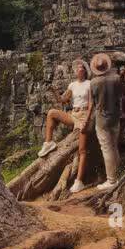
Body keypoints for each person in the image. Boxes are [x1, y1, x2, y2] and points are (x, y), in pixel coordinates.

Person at [38, 59, 91, 194]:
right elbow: (63, 100)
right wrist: (54, 91)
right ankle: (49, 142)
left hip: (84, 115)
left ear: (85, 71)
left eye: (81, 68)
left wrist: (87, 120)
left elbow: (92, 104)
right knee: (51, 113)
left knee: (82, 149)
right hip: (73, 114)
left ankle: (79, 181)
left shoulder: (89, 84)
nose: (79, 70)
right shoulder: (72, 85)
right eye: (77, 68)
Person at [82, 53, 125, 191]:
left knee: (106, 148)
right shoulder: (116, 79)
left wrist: (86, 121)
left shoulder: (93, 83)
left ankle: (111, 180)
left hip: (102, 119)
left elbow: (92, 104)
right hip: (115, 117)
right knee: (114, 146)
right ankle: (119, 174)